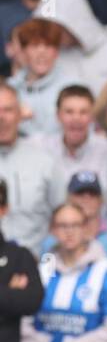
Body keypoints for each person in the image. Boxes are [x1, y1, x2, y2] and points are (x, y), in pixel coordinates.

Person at [22, 201, 107, 342]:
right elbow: (24, 321)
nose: (69, 231)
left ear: (86, 228)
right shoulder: (42, 269)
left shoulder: (105, 270)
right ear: (53, 229)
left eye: (75, 225)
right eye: (62, 225)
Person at [0, 83, 62, 254]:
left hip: (35, 265)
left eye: (8, 110)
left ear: (20, 114)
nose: (2, 117)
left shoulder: (45, 162)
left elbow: (61, 215)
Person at [0, 177, 43, 342]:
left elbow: (32, 301)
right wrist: (8, 292)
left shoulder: (19, 255)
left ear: (4, 209)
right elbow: (18, 301)